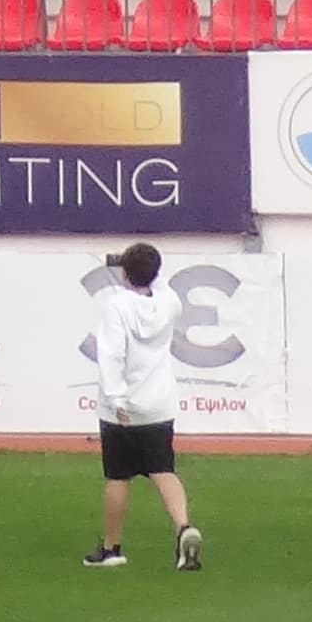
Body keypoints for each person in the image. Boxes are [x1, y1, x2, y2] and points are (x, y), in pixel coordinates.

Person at [85, 238, 203, 572]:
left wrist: (115, 397)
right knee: (163, 470)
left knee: (118, 477)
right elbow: (158, 284)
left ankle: (111, 548)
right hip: (159, 402)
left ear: (125, 273)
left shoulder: (116, 305)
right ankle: (183, 527)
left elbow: (112, 353)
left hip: (123, 407)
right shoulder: (168, 302)